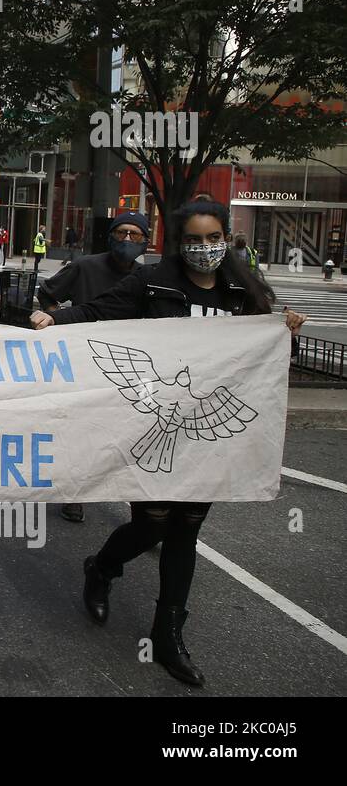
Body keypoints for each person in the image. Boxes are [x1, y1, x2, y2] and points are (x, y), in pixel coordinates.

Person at [31, 200, 306, 687]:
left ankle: (168, 633)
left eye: (213, 236)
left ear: (227, 236)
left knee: (187, 528)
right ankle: (103, 567)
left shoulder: (243, 292)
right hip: (155, 424)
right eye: (194, 240)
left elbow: (271, 352)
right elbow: (101, 312)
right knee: (154, 522)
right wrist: (58, 320)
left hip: (207, 439)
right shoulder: (153, 282)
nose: (205, 248)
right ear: (180, 243)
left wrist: (289, 331)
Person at [36, 211, 152, 524]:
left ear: (146, 240)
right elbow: (48, 294)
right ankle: (75, 494)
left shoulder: (145, 278)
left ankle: (145, 515)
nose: (127, 240)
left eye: (135, 234)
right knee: (83, 430)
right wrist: (56, 324)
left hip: (128, 368)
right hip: (84, 362)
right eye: (121, 232)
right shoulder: (85, 266)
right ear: (111, 235)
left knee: (134, 435)